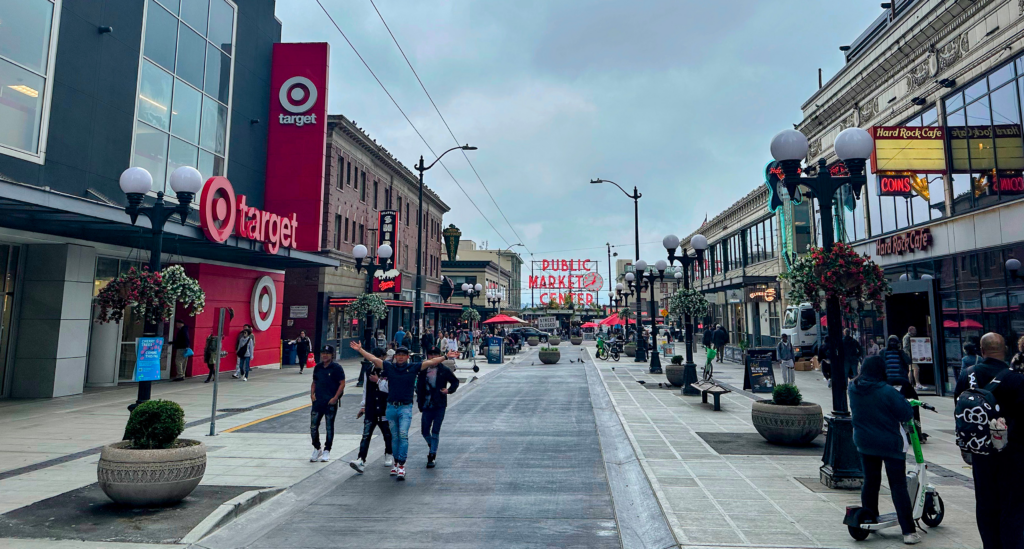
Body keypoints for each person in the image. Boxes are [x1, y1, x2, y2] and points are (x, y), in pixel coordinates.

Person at [348, 341, 458, 480]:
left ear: (407, 357)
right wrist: (360, 349)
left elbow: (430, 362)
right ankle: (395, 463)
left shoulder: (413, 367)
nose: (400, 357)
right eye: (398, 355)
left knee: (403, 435)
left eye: (403, 355)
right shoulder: (389, 367)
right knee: (395, 437)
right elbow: (373, 359)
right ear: (395, 357)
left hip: (405, 407)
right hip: (391, 407)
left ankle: (401, 464)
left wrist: (445, 357)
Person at [954, 333, 1024, 549]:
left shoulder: (967, 375)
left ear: (982, 352)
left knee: (985, 503)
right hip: (1011, 453)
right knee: (1012, 505)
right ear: (1005, 351)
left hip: (980, 453)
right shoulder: (1015, 378)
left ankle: (990, 544)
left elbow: (959, 410)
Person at [848, 355, 919, 545]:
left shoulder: (853, 388)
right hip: (890, 443)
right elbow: (906, 413)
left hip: (864, 441)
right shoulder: (887, 391)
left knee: (871, 482)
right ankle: (909, 531)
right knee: (898, 485)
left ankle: (870, 518)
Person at [349, 348, 393, 473]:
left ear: (383, 357)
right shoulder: (368, 370)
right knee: (366, 434)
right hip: (371, 407)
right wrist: (363, 406)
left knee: (387, 433)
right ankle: (361, 459)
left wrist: (378, 380)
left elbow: (390, 388)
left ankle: (389, 453)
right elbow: (365, 389)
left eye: (379, 357)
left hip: (384, 407)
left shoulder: (388, 370)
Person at [417, 346, 459, 468]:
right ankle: (433, 445)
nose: (433, 357)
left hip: (439, 404)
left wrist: (449, 390)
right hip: (426, 405)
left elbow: (455, 381)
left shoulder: (444, 369)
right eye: (431, 354)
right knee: (424, 431)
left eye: (436, 354)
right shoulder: (422, 369)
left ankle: (432, 455)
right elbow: (419, 387)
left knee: (435, 431)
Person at [883, 335, 926, 442]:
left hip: (890, 382)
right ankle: (916, 431)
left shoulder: (885, 352)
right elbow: (908, 362)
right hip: (900, 381)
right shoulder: (897, 353)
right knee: (914, 403)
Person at [309, 345, 345, 462]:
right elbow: (314, 381)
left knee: (329, 427)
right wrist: (312, 394)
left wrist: (335, 397)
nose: (325, 355)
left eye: (327, 353)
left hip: (330, 402)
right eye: (323, 353)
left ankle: (327, 450)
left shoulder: (337, 368)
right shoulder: (318, 367)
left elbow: (342, 383)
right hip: (318, 401)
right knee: (313, 426)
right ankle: (317, 447)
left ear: (332, 355)